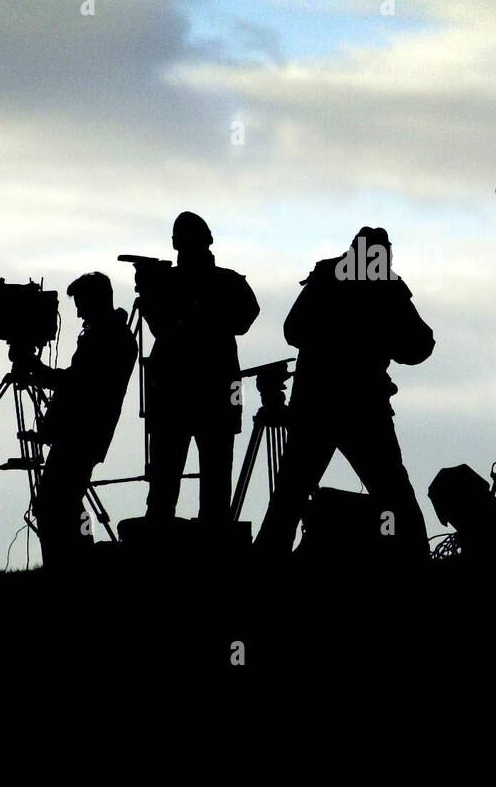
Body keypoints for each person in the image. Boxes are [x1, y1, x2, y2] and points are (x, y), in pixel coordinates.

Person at [254, 227, 434, 560]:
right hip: (360, 409)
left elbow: (293, 330)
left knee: (289, 499)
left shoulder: (329, 278)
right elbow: (420, 345)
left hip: (319, 406)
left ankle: (266, 564)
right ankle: (414, 561)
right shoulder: (385, 288)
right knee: (393, 497)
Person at [137, 212, 259, 525]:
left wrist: (168, 302)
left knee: (176, 475)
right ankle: (205, 535)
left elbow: (161, 327)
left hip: (191, 391)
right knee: (192, 473)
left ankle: (175, 535)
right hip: (200, 390)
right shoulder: (225, 281)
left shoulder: (214, 282)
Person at [33, 272, 137, 567]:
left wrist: (41, 373)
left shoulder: (110, 337)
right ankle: (80, 554)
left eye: (82, 305)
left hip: (84, 433)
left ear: (97, 301)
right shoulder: (105, 334)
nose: (77, 313)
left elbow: (81, 383)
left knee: (55, 502)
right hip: (83, 432)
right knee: (65, 500)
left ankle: (77, 556)